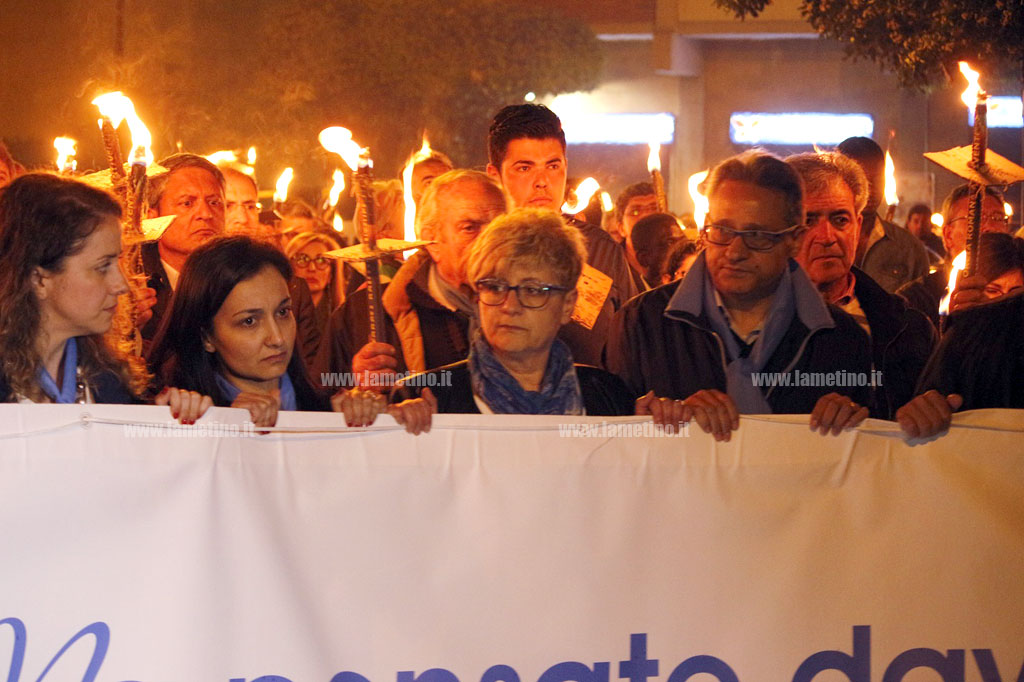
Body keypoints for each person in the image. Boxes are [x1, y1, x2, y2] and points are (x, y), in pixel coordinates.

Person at [606, 150, 873, 441]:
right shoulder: (642, 323)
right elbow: (606, 444)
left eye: (756, 235)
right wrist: (655, 420)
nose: (734, 252)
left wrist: (848, 421)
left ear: (793, 240)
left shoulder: (841, 338)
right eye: (722, 230)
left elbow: (867, 465)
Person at [148, 236, 427, 431]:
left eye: (283, 313)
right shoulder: (182, 417)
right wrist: (215, 425)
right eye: (249, 322)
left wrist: (397, 423)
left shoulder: (333, 411)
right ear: (206, 335)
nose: (277, 338)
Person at [0, 173, 208, 421]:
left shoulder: (111, 382)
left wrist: (160, 420)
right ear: (39, 278)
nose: (122, 286)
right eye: (102, 266)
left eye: (118, 262)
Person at [392, 209, 635, 417]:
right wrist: (366, 418)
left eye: (532, 290)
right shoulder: (426, 398)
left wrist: (661, 423)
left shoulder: (609, 399)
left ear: (567, 305)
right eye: (495, 287)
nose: (509, 306)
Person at [787, 151, 936, 419]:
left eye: (840, 220)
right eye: (809, 221)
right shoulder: (745, 323)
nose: (827, 237)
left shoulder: (909, 328)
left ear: (857, 226)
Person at [485, 104, 636, 364]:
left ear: (566, 166)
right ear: (495, 175)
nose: (542, 181)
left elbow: (634, 341)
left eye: (552, 166)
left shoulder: (599, 251)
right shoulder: (480, 252)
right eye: (525, 168)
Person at [896, 184, 1009, 327]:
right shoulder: (916, 299)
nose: (989, 227)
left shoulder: (1016, 290)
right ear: (948, 235)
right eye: (976, 217)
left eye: (997, 218)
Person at [836, 137, 929, 293]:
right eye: (862, 181)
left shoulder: (909, 249)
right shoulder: (820, 242)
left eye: (878, 180)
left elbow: (923, 311)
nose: (871, 190)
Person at [285, 231, 344, 335]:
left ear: (331, 273)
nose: (312, 268)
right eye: (302, 260)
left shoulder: (343, 318)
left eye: (321, 261)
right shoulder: (280, 315)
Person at [627, 212, 682, 291]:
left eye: (683, 241)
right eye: (670, 243)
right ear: (644, 258)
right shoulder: (632, 298)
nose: (681, 248)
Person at [614, 182, 660, 246]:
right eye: (635, 212)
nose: (646, 215)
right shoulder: (604, 255)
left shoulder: (677, 255)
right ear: (621, 228)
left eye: (654, 209)